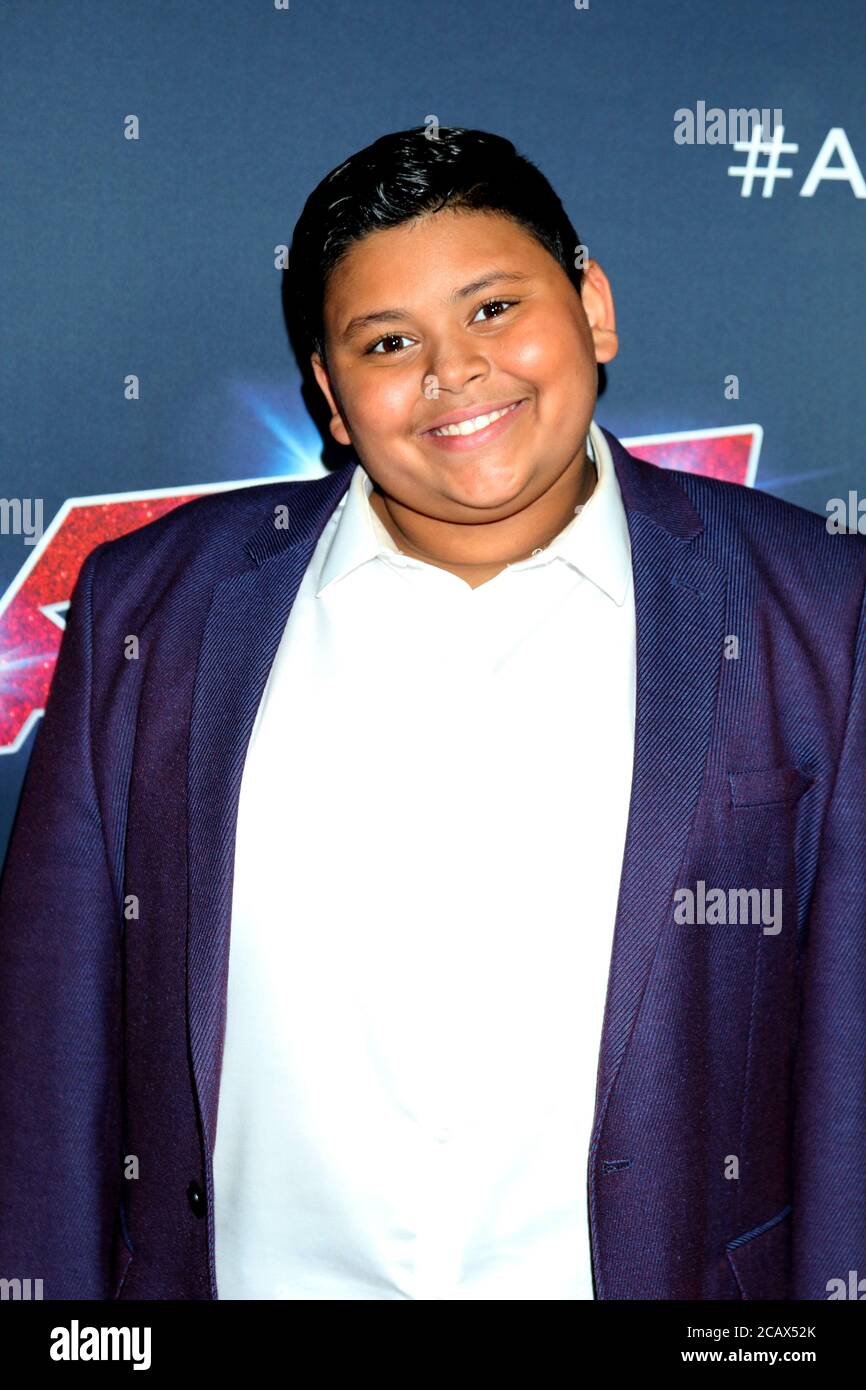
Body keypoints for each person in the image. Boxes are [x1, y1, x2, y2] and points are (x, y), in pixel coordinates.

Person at [0, 126, 863, 1301]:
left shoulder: (814, 606)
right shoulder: (156, 604)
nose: (453, 371)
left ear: (591, 307)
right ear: (331, 397)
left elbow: (849, 1069)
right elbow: (49, 1049)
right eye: (389, 342)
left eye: (495, 308)